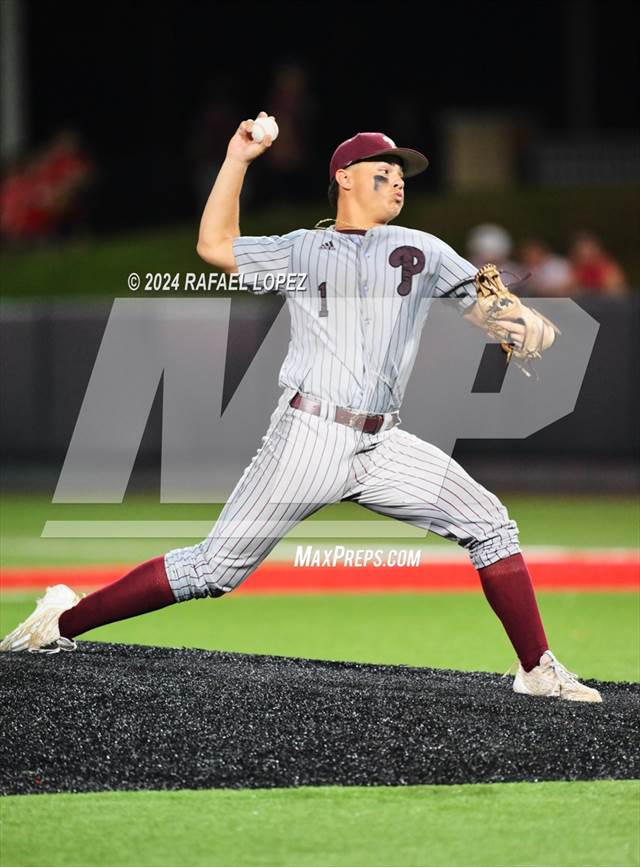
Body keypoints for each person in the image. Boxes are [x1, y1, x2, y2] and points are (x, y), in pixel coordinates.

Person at [0, 115, 601, 703]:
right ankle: (64, 622)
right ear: (343, 176)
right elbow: (213, 245)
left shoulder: (424, 248)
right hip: (308, 435)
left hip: (384, 443)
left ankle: (538, 670)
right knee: (214, 571)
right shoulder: (303, 249)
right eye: (384, 170)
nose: (398, 181)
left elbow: (488, 308)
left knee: (490, 524)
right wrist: (237, 158)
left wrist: (520, 323)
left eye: (403, 174)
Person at [568, 231, 628, 297]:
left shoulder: (607, 266)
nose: (584, 253)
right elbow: (571, 288)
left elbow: (616, 289)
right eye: (580, 250)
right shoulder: (576, 267)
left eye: (588, 248)